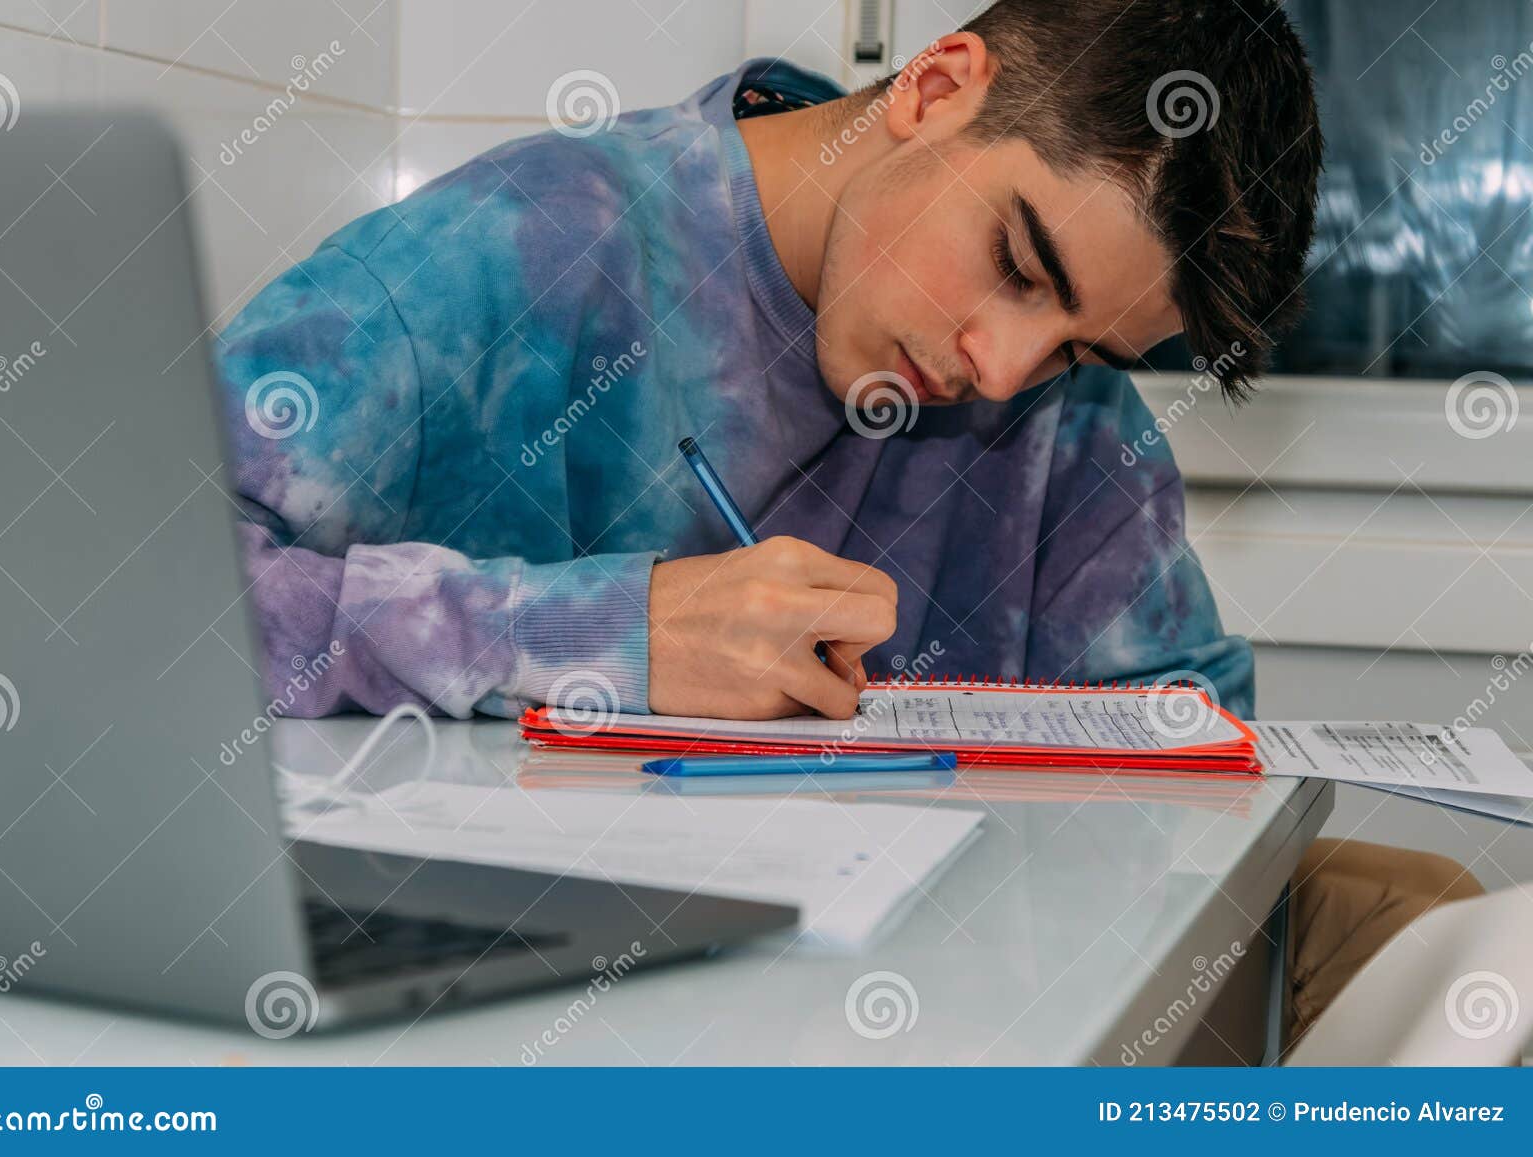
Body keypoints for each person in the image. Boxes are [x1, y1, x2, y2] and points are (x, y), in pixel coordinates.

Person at [215, 0, 1478, 1048]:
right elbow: (137, 599)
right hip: (526, 1004)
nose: (1003, 368)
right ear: (934, 87)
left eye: (1077, 346)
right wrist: (586, 631)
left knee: (1431, 924)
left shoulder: (1075, 425)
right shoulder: (524, 247)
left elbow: (1196, 764)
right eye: (1018, 264)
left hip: (909, 1010)